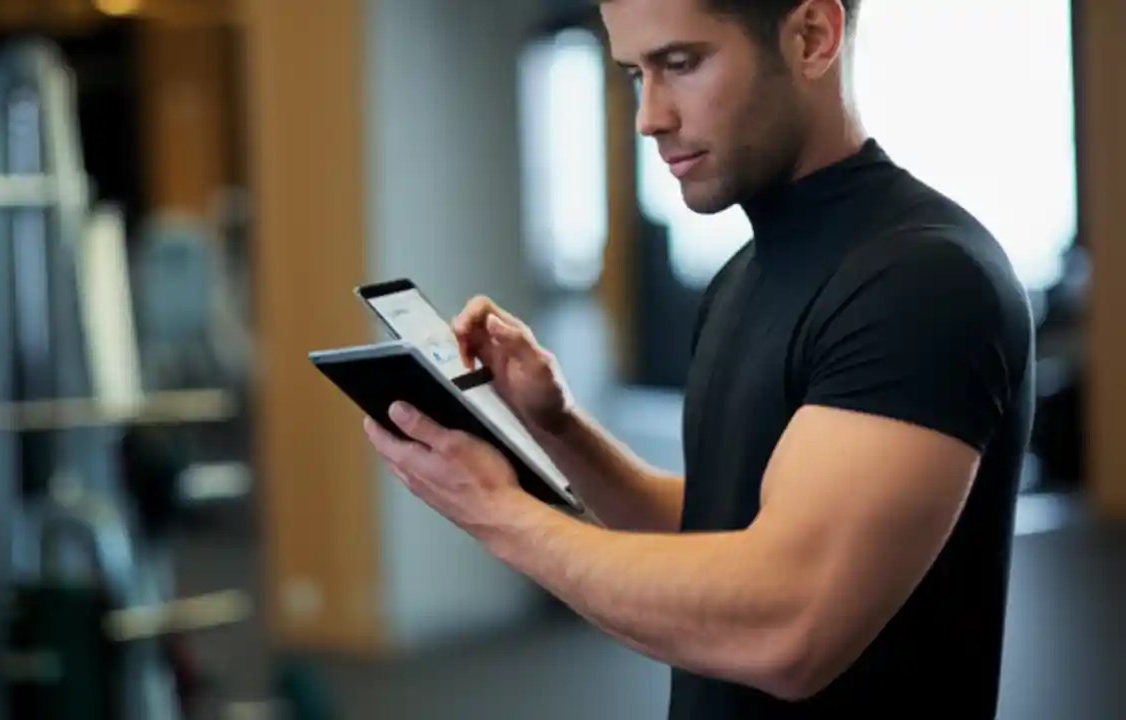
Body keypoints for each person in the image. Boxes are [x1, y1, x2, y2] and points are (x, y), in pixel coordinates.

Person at [361, 0, 1035, 716]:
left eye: (680, 64)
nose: (649, 117)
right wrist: (557, 426)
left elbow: (788, 625)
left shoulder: (923, 281)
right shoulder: (740, 281)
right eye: (632, 75)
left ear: (812, 37)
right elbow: (719, 531)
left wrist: (498, 514)